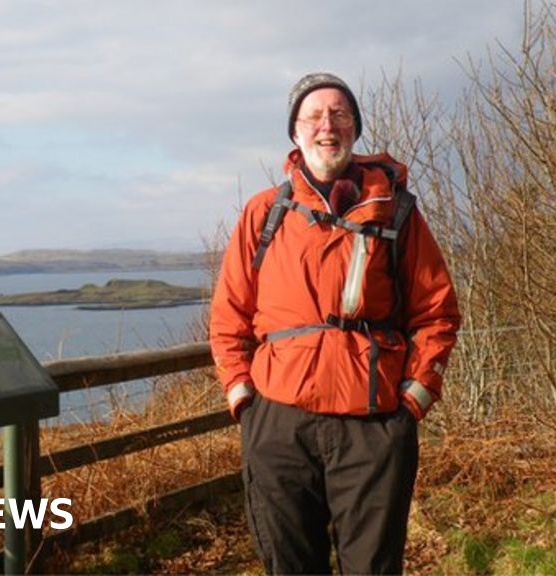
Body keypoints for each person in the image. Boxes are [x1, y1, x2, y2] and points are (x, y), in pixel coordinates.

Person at [209, 72, 461, 575]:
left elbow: (437, 311)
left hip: (372, 421)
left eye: (340, 114)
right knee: (289, 563)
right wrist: (241, 395)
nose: (328, 125)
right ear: (295, 133)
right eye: (315, 116)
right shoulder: (265, 213)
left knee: (372, 567)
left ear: (355, 128)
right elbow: (228, 315)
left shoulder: (397, 211)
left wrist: (413, 398)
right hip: (279, 420)